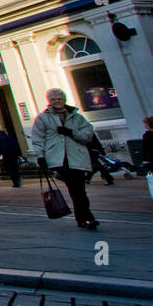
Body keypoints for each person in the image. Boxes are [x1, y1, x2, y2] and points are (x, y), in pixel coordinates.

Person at [31, 89, 98, 230]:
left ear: (64, 99)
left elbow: (87, 135)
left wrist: (71, 132)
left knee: (78, 189)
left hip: (77, 157)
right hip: (58, 159)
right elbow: (38, 139)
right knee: (76, 189)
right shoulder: (43, 118)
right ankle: (87, 217)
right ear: (49, 101)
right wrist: (40, 156)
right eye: (53, 99)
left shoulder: (77, 117)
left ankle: (83, 217)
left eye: (59, 98)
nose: (57, 101)